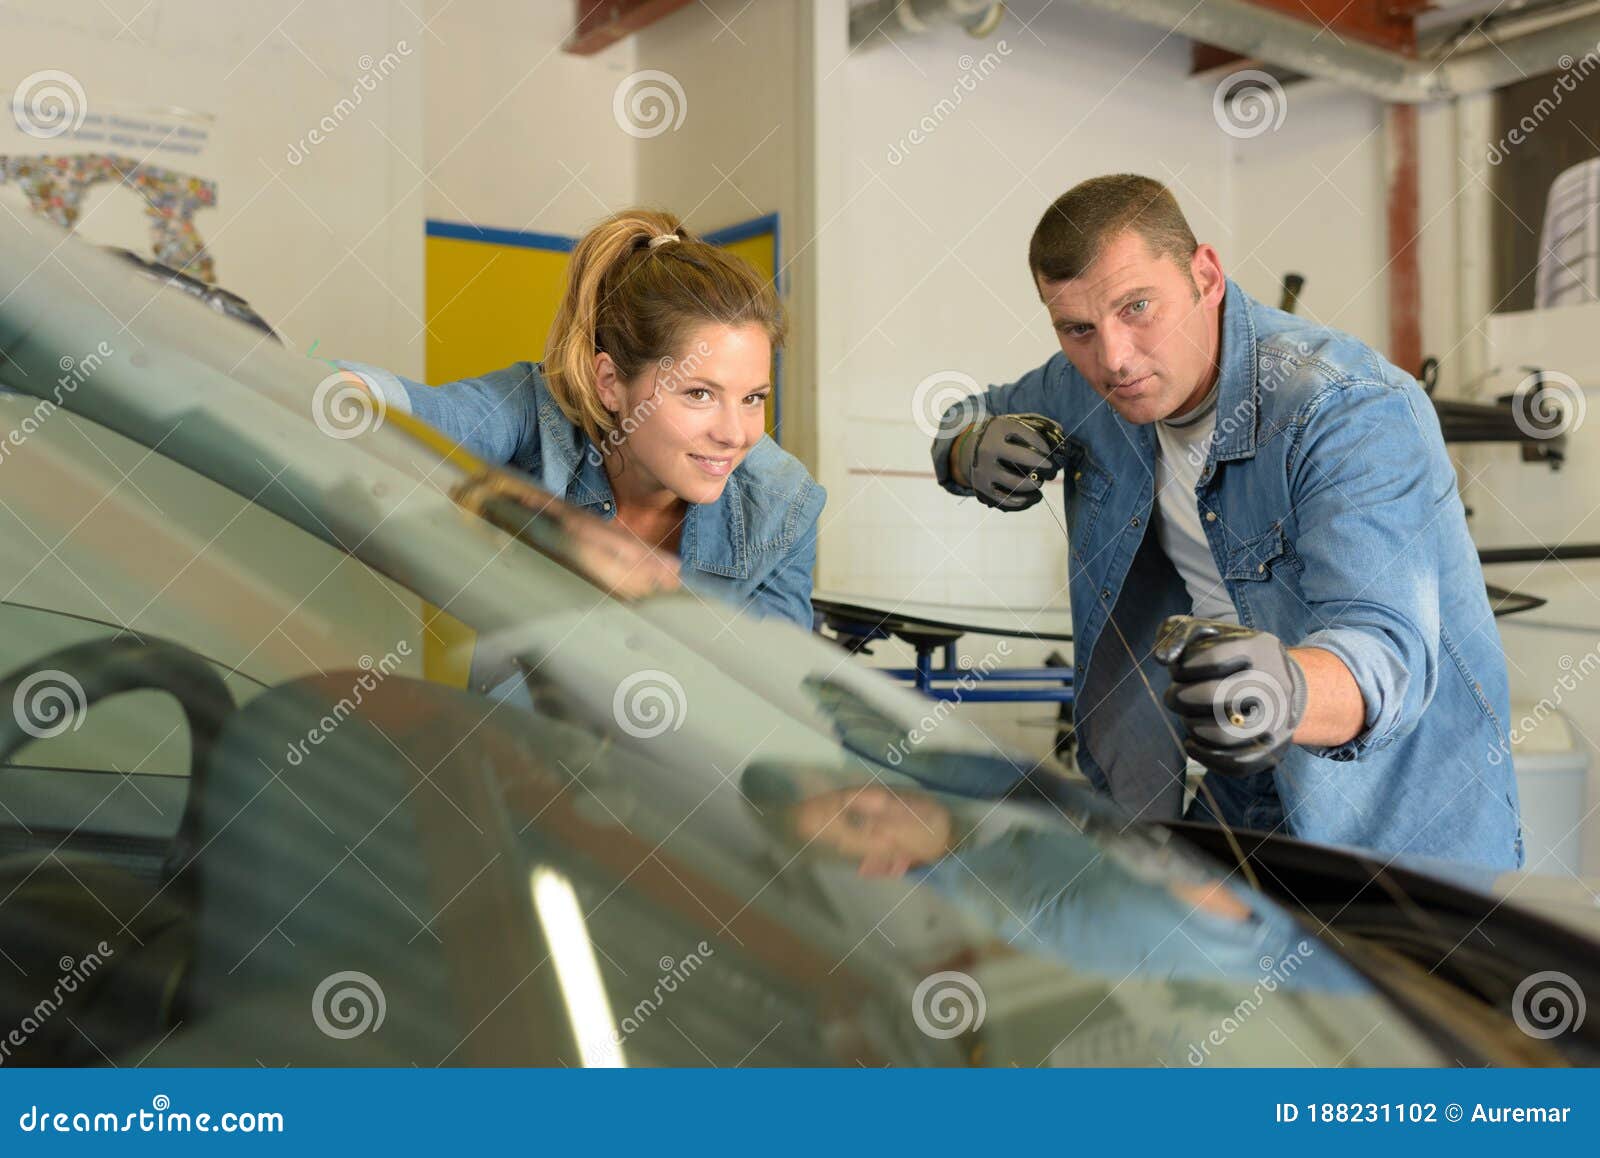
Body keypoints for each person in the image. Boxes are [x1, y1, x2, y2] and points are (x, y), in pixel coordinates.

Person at [929, 173, 1522, 869]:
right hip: (1240, 780)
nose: (1114, 358)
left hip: (1393, 818)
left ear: (1204, 275)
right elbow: (961, 415)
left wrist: (1286, 688)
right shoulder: (1083, 382)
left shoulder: (1346, 409)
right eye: (1078, 328)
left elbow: (1386, 652)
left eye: (1138, 307)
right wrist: (967, 450)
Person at [341, 209, 824, 628]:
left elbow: (781, 702)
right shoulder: (534, 414)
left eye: (753, 398)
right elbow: (424, 414)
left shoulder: (785, 505)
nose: (735, 434)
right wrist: (337, 391)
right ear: (610, 382)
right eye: (699, 393)